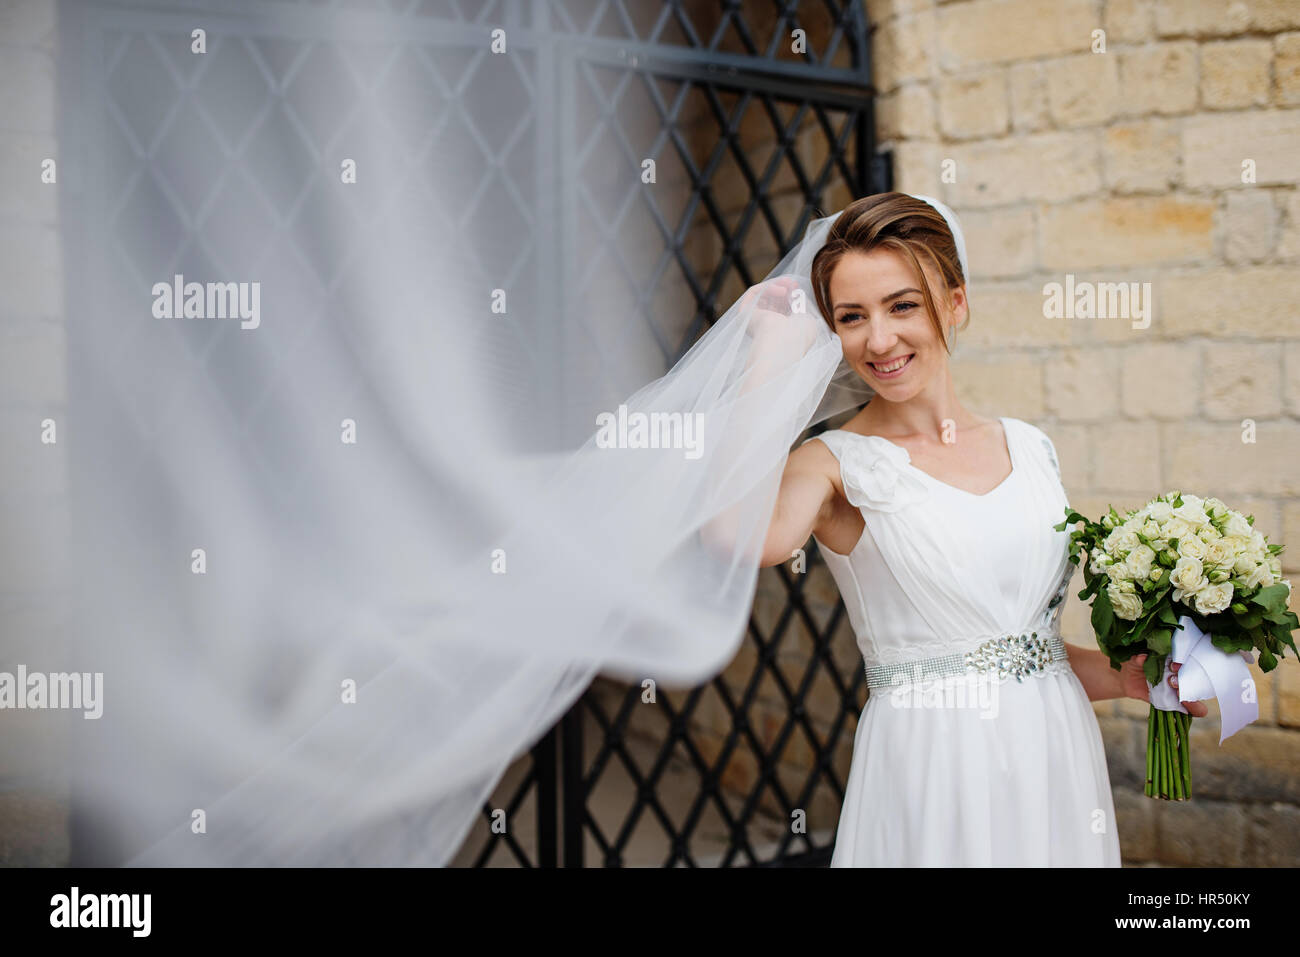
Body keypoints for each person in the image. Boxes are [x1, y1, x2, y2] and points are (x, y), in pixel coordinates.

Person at [752, 192, 1205, 866]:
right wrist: (764, 361)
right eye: (852, 317)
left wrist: (1130, 676)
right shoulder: (831, 466)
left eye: (902, 305)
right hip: (933, 770)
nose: (878, 339)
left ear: (956, 302)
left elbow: (1024, 648)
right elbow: (742, 542)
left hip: (1054, 758)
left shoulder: (1030, 446)